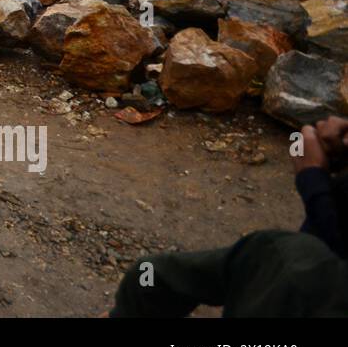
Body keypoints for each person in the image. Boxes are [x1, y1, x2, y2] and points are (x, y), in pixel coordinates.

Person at [111, 116, 348, 316]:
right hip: (309, 264)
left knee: (149, 275)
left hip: (305, 281)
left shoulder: (283, 258)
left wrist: (310, 176)